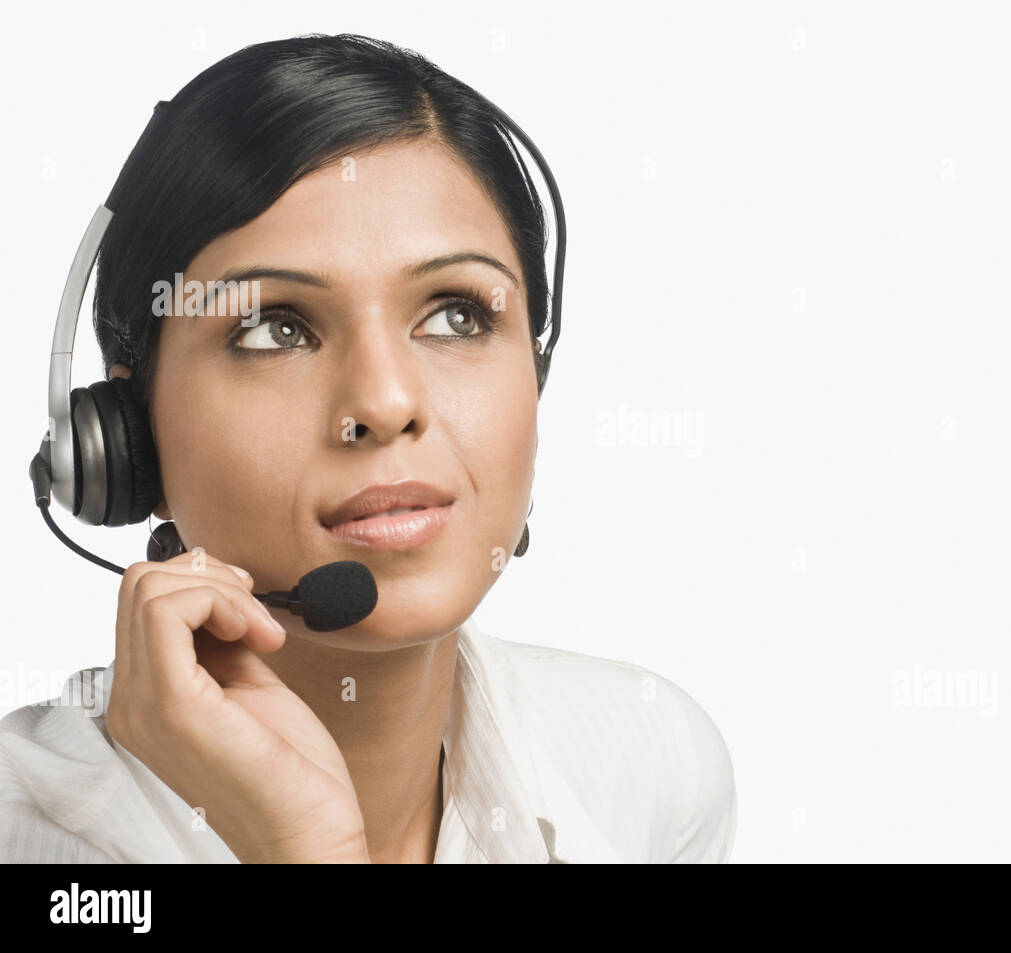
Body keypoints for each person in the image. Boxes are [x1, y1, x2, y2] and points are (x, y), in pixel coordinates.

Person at [0, 32, 736, 864]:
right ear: (128, 439)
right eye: (276, 330)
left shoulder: (651, 770)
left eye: (457, 315)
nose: (385, 405)